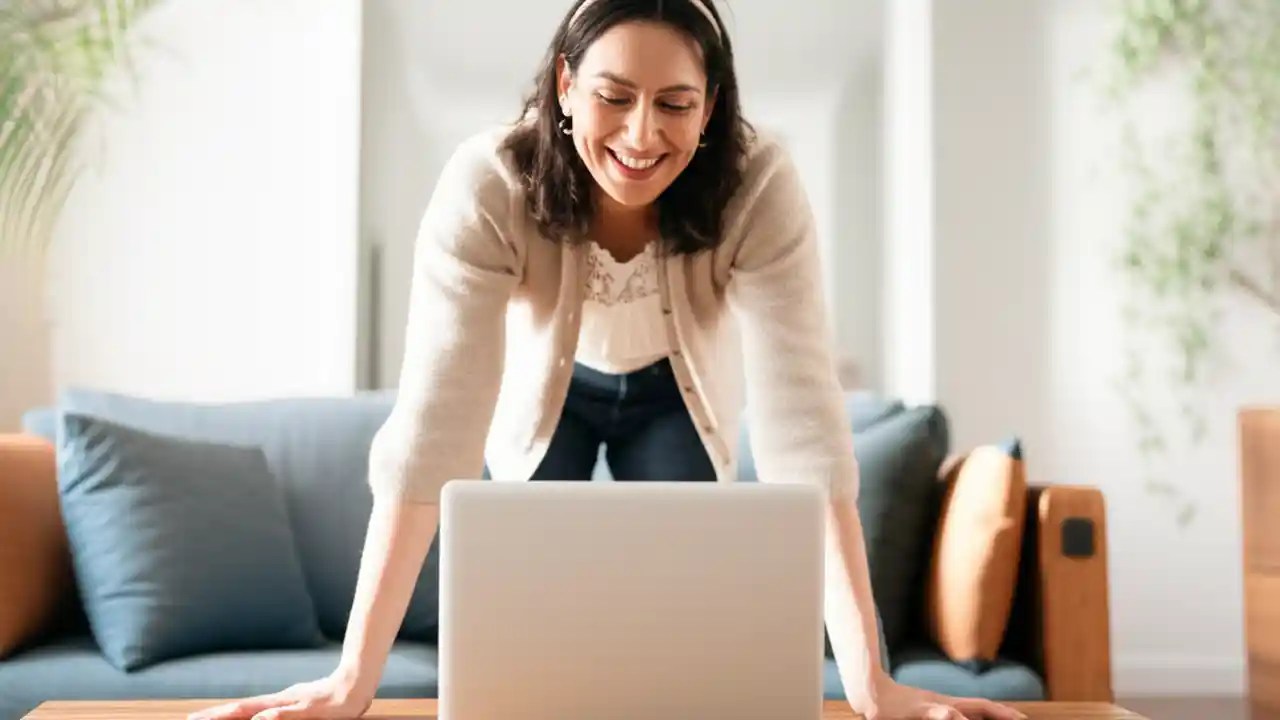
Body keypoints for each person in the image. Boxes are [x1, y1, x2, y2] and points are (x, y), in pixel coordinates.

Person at [191, 1, 1028, 719]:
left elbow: (806, 433)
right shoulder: (489, 184)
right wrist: (352, 680)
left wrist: (869, 681)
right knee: (521, 621)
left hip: (676, 393)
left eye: (675, 103)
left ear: (710, 111)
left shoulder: (759, 183)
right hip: (547, 398)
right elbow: (431, 436)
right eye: (613, 96)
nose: (640, 133)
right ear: (565, 86)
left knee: (689, 618)